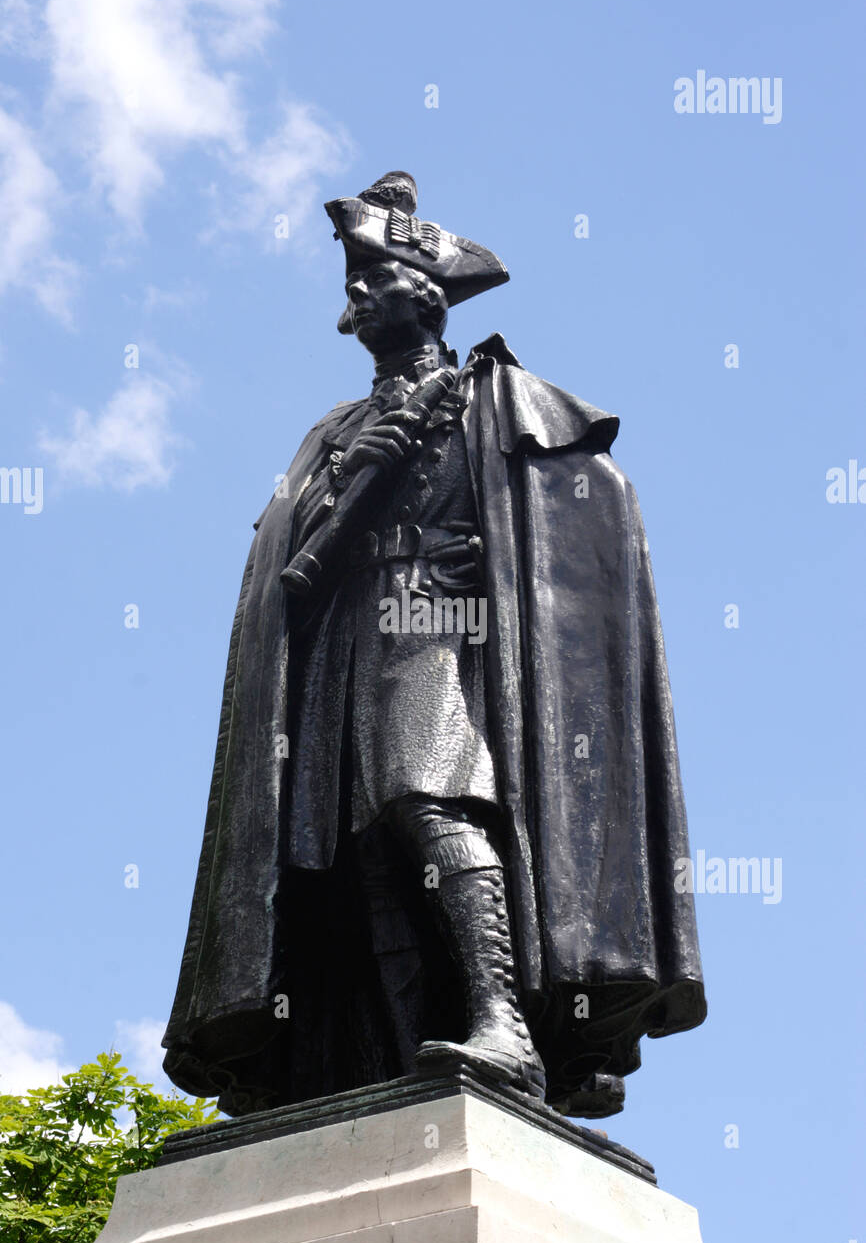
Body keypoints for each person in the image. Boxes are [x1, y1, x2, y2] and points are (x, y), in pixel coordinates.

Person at [162, 172, 706, 1118]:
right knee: (362, 845)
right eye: (352, 289)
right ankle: (408, 1056)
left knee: (427, 794)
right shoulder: (333, 432)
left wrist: (488, 567)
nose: (353, 306)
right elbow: (281, 552)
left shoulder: (496, 399)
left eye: (371, 285)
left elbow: (571, 520)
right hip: (344, 642)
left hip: (442, 625)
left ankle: (504, 1020)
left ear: (423, 292)